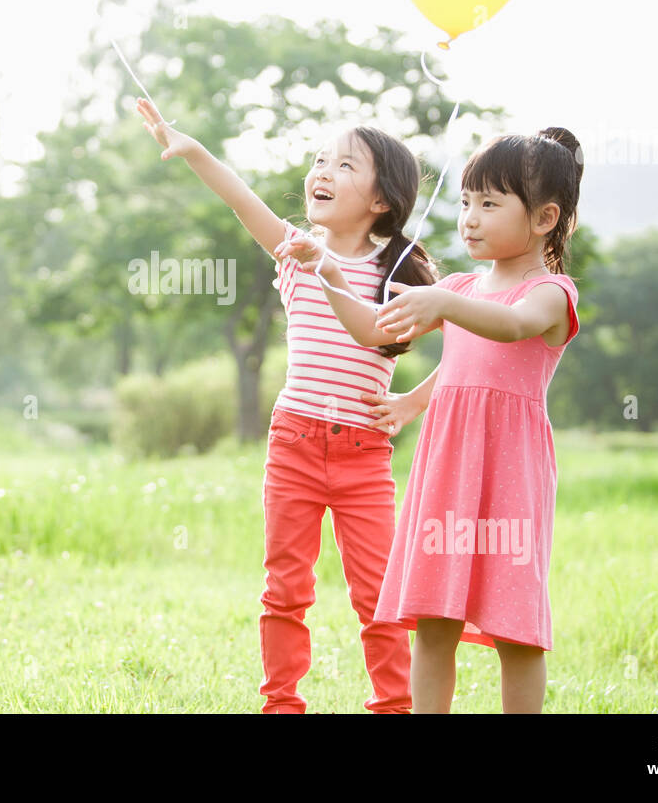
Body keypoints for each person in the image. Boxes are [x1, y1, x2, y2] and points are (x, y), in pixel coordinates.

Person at [136, 96, 436, 713]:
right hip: (294, 442)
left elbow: (470, 347)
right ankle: (281, 704)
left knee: (379, 594)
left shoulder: (401, 270)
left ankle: (394, 706)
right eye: (320, 160)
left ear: (382, 200)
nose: (323, 171)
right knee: (285, 587)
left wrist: (411, 404)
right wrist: (193, 150)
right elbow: (241, 199)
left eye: (345, 165)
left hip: (362, 455)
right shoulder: (295, 250)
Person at [290, 127, 583, 713]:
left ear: (546, 218)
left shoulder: (550, 292)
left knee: (514, 626)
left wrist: (445, 304)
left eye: (490, 204)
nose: (469, 218)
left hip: (509, 476)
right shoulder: (457, 286)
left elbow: (512, 329)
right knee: (433, 616)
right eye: (466, 202)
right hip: (448, 468)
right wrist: (328, 272)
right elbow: (377, 331)